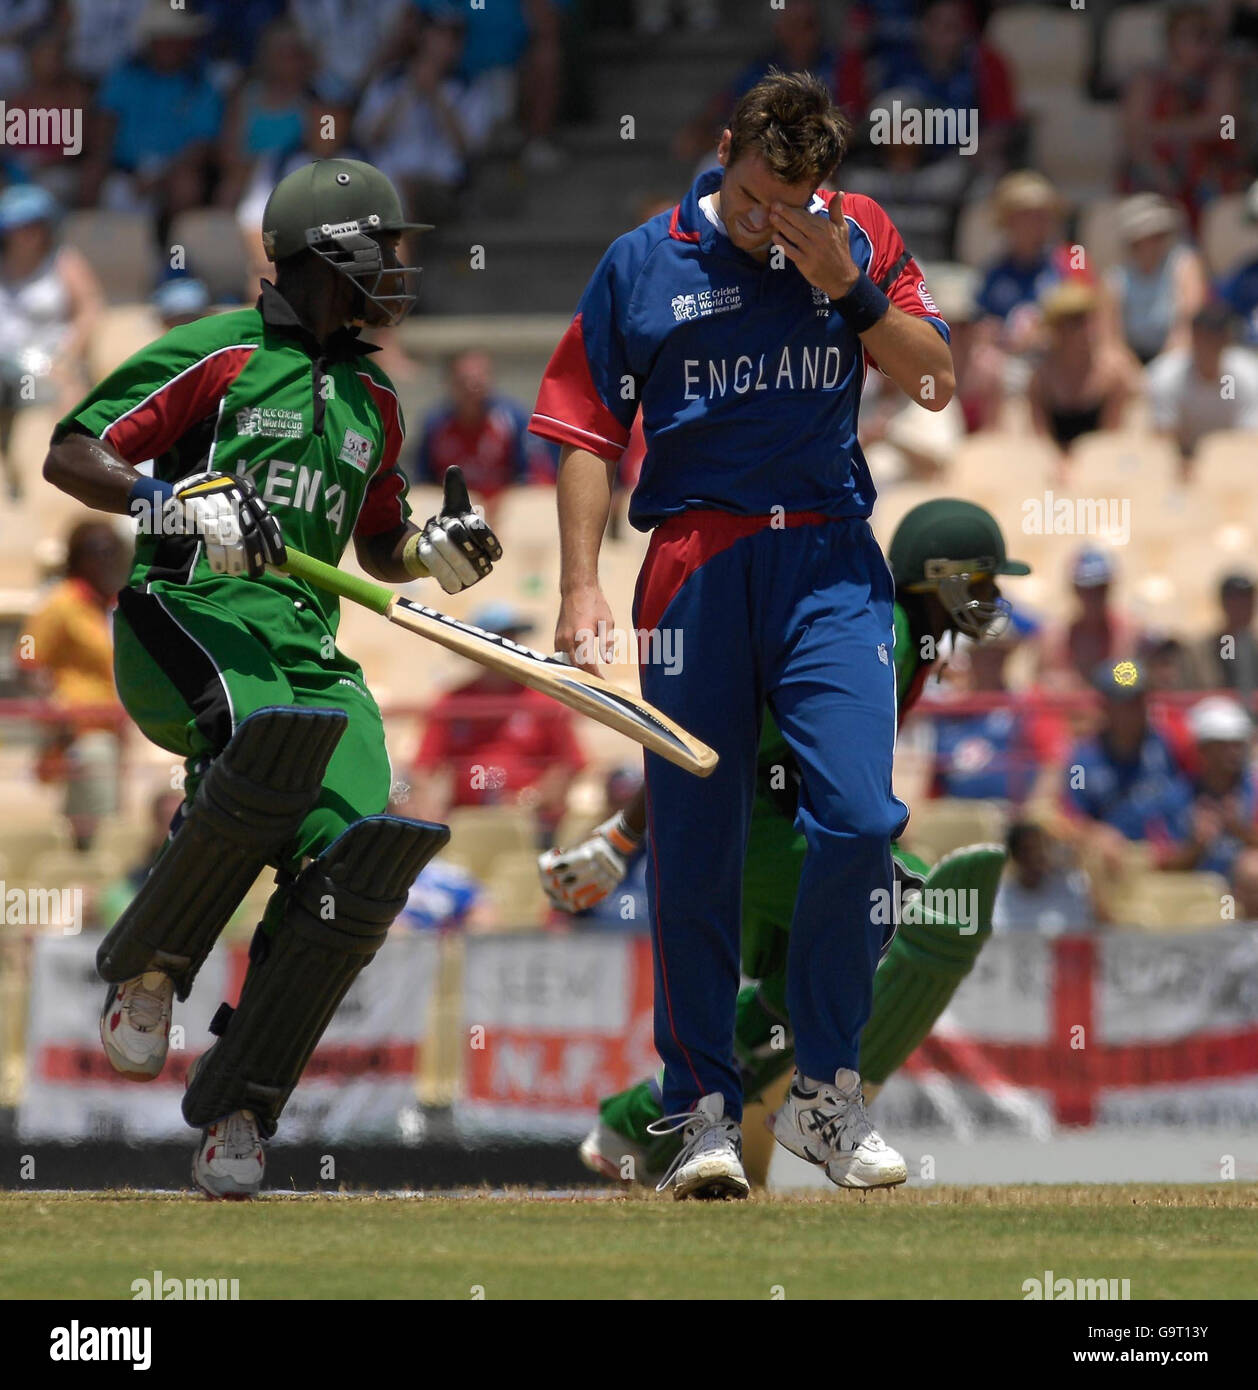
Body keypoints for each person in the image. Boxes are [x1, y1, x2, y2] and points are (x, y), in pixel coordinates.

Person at [42, 157, 504, 1199]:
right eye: (381, 247)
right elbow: (73, 453)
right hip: (186, 616)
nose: (396, 266)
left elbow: (377, 546)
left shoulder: (378, 398)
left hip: (305, 646)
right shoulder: (219, 351)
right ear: (323, 253)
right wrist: (175, 502)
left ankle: (242, 1107)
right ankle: (152, 963)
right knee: (273, 736)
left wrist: (434, 551)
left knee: (361, 861)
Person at [530, 70, 956, 1198]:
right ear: (726, 154)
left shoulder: (852, 234)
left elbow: (935, 380)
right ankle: (698, 1113)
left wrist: (851, 291)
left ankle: (826, 1092)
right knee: (695, 846)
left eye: (802, 196)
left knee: (862, 818)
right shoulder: (642, 259)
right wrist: (581, 587)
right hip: (693, 564)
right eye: (764, 194)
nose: (780, 219)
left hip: (827, 554)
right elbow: (582, 429)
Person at [540, 498, 1028, 1187]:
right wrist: (625, 833)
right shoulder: (877, 631)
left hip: (775, 833)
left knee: (800, 990)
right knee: (901, 900)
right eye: (979, 583)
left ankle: (639, 1117)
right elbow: (711, 741)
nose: (990, 600)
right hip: (758, 831)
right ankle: (819, 1101)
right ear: (936, 580)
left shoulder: (902, 642)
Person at [413, 601, 585, 842]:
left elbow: (569, 765)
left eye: (509, 639)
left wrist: (530, 799)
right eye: (495, 640)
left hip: (529, 825)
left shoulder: (544, 701)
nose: (504, 648)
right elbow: (423, 768)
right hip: (467, 822)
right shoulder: (452, 702)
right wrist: (429, 811)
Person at [15, 519, 130, 852]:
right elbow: (26, 657)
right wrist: (55, 711)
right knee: (93, 817)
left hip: (114, 728)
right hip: (76, 733)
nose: (108, 559)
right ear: (79, 558)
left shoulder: (112, 606)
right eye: (99, 552)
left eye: (114, 551)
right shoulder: (60, 603)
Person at [0, 184, 103, 500]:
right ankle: (9, 485)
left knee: (70, 395)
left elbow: (90, 309)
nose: (28, 233)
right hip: (4, 362)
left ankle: (67, 481)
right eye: (19, 226)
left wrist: (68, 358)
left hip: (49, 362)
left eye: (34, 224)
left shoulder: (63, 262)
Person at [1060, 659, 1196, 873]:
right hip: (1117, 862)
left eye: (1139, 701)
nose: (1134, 710)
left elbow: (1197, 786)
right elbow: (1071, 817)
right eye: (1124, 703)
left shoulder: (1168, 744)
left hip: (1170, 858)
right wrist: (1095, 833)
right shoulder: (1082, 761)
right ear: (1106, 707)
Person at [414, 350, 554, 514]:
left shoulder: (512, 420)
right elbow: (424, 480)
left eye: (479, 380)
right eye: (464, 380)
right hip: (454, 509)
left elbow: (532, 476)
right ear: (450, 383)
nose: (472, 388)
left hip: (505, 507)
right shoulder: (436, 424)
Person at [1028, 281, 1139, 452]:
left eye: (1088, 319)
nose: (1086, 329)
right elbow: (1040, 444)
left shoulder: (1113, 377)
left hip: (1100, 467)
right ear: (1058, 329)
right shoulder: (1040, 381)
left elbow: (1111, 440)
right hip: (1052, 472)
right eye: (1075, 321)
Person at [1162, 696, 1258, 882]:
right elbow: (1162, 865)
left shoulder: (1254, 788)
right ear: (1202, 749)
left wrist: (1240, 829)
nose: (1233, 752)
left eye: (1238, 744)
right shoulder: (1176, 796)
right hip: (1194, 898)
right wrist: (1197, 845)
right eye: (1223, 745)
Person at [1147, 302, 1258, 461]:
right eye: (1202, 338)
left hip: (1232, 460)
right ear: (1193, 338)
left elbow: (1248, 439)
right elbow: (1163, 443)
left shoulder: (1246, 377)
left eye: (1214, 339)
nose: (1207, 346)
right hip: (1181, 461)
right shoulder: (1166, 376)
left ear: (1226, 340)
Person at [1105, 193, 1207, 366]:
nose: (1157, 241)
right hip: (1131, 363)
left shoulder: (1185, 265)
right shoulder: (1114, 279)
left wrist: (1161, 369)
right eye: (1150, 236)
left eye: (1160, 234)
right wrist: (1133, 371)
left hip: (1176, 356)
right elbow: (1110, 339)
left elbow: (1188, 327)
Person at [992, 820, 1095, 935]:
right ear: (1015, 855)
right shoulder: (997, 899)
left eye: (1042, 848)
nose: (1036, 856)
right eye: (1028, 850)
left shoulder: (1073, 888)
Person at [1195, 572, 1258, 697]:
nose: (1242, 608)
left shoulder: (1250, 643)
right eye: (1236, 601)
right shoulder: (1207, 647)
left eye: (1247, 602)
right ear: (1224, 604)